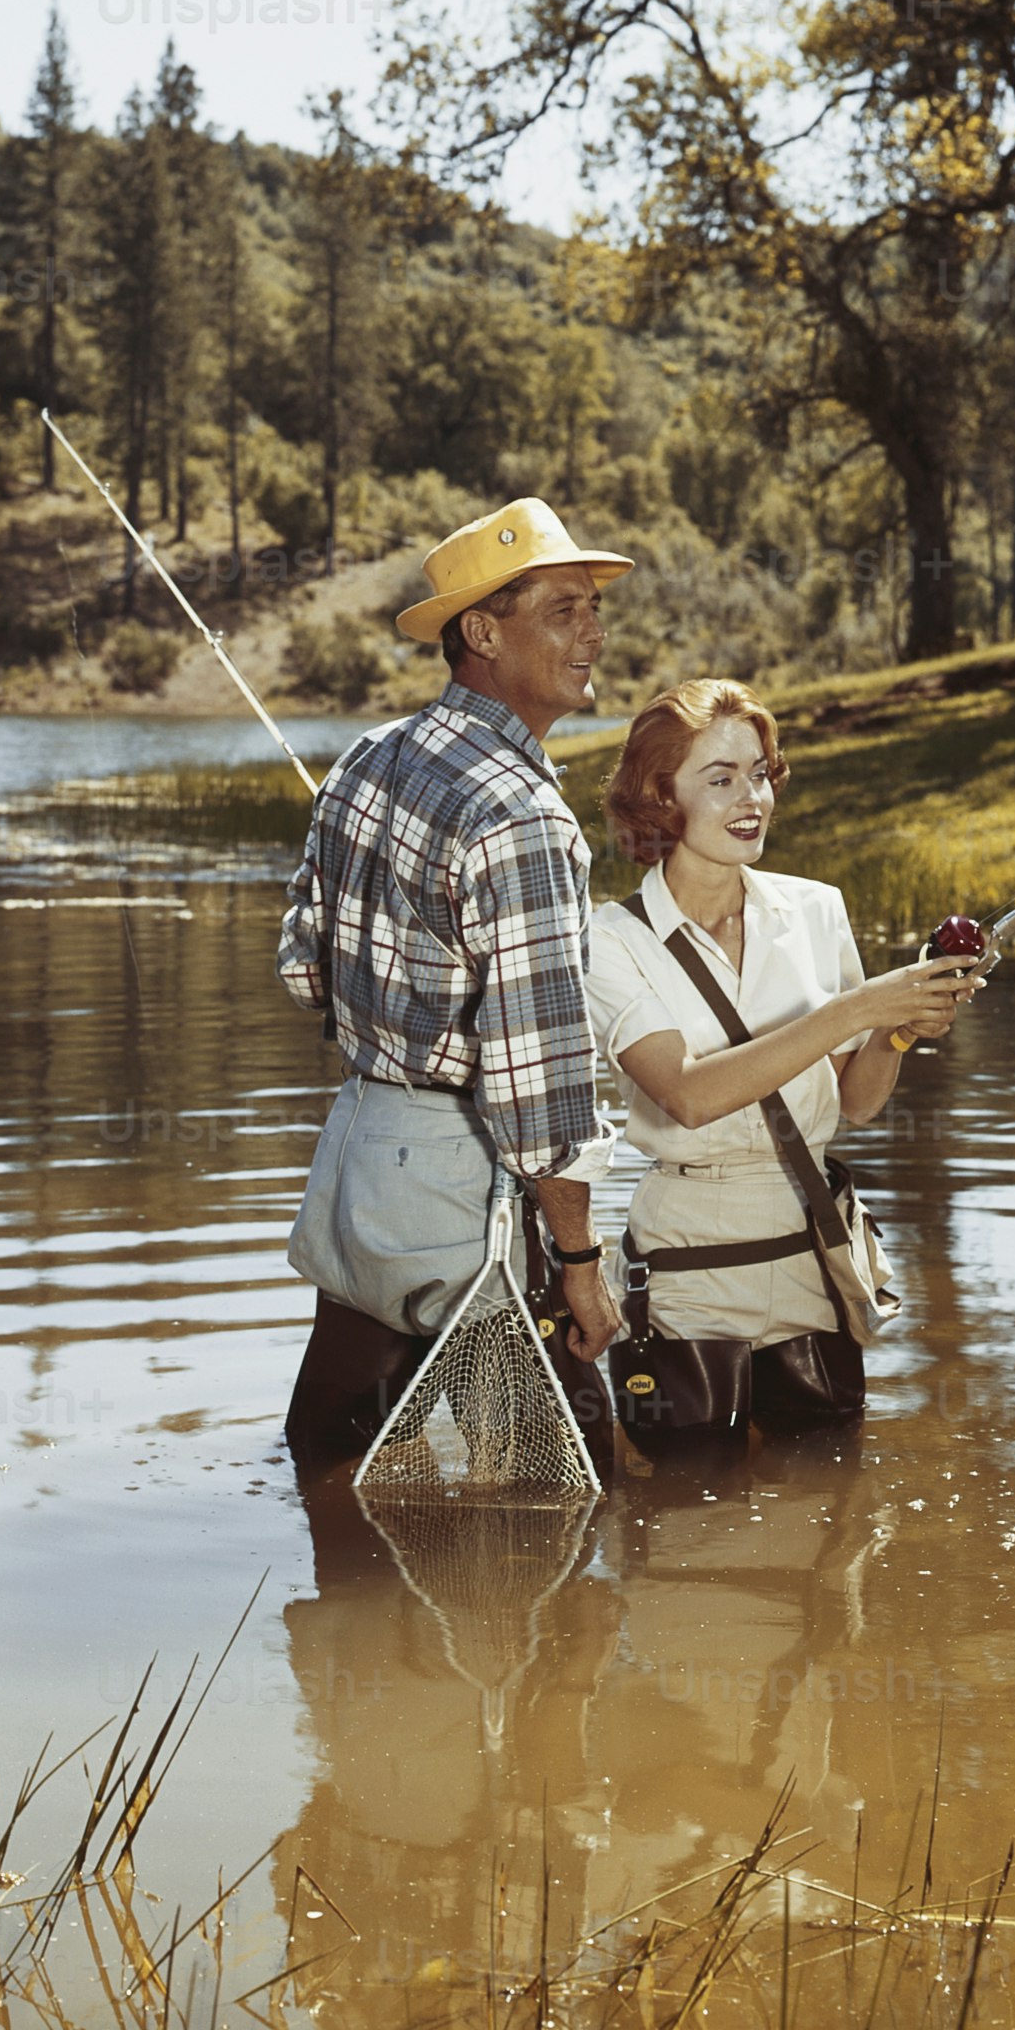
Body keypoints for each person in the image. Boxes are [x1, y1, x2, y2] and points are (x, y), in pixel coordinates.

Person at [275, 495, 633, 1474]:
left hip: (353, 1159)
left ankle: (338, 1620)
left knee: (333, 1460)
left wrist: (391, 1033)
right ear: (481, 631)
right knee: (555, 1490)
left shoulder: (362, 758)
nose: (593, 631)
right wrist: (580, 1264)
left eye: (593, 607)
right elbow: (537, 1094)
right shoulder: (525, 817)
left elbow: (305, 970)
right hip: (455, 1192)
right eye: (562, 608)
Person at [585, 677, 978, 1436]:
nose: (752, 799)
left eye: (761, 774)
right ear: (662, 796)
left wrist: (898, 1026)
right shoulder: (612, 937)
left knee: (828, 1505)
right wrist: (860, 1006)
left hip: (811, 1249)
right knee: (686, 1518)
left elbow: (856, 1101)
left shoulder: (815, 908)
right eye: (722, 778)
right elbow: (688, 1095)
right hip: (689, 1258)